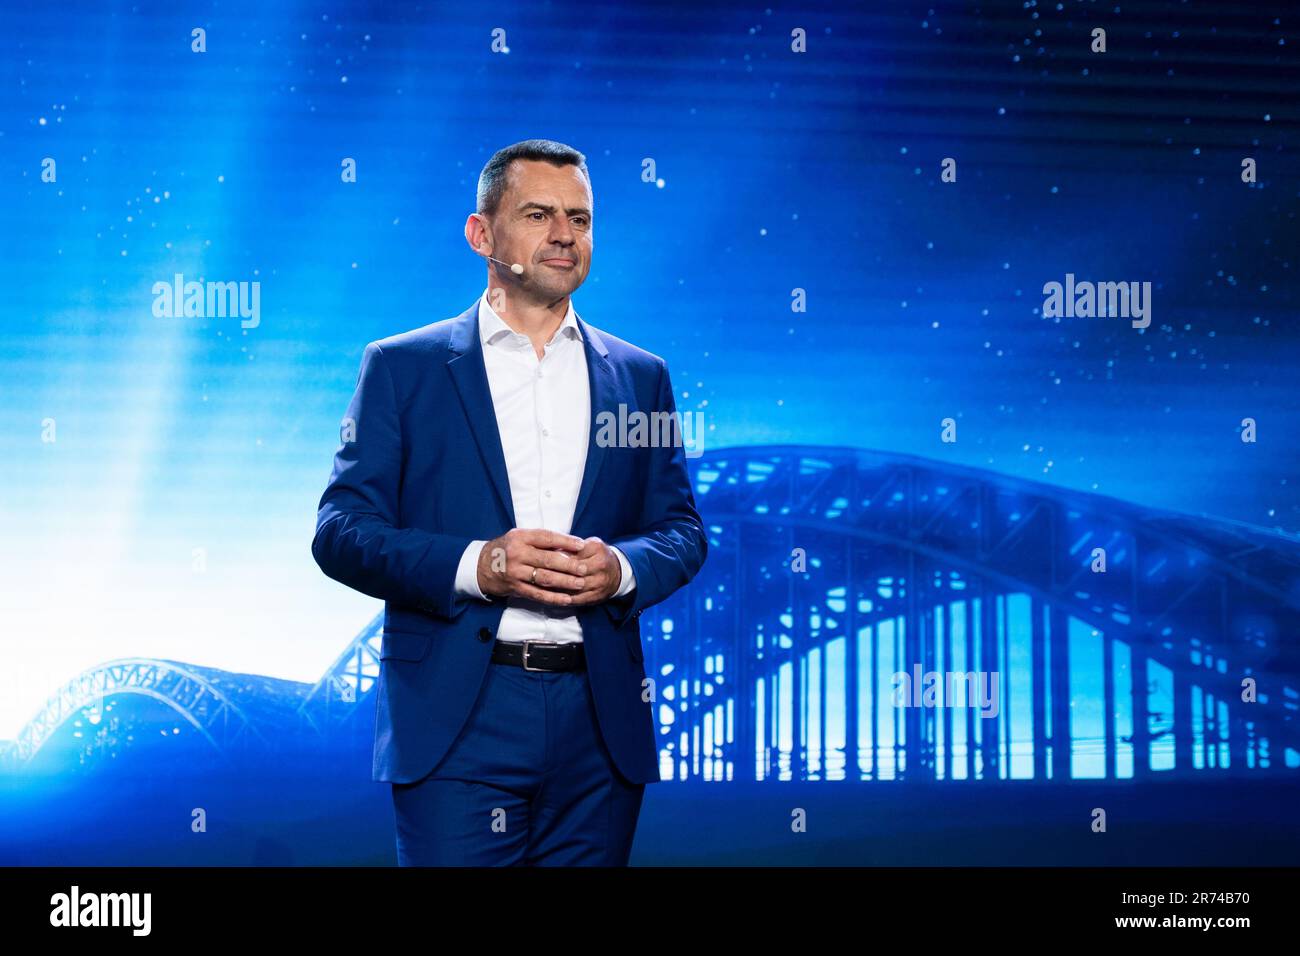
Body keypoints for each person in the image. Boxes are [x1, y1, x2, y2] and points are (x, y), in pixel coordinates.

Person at [311, 138, 708, 865]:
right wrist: (478, 565)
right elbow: (340, 531)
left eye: (581, 219)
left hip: (600, 721)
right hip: (459, 717)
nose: (565, 234)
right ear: (482, 234)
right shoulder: (403, 368)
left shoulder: (642, 377)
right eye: (539, 214)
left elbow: (681, 529)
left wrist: (620, 570)